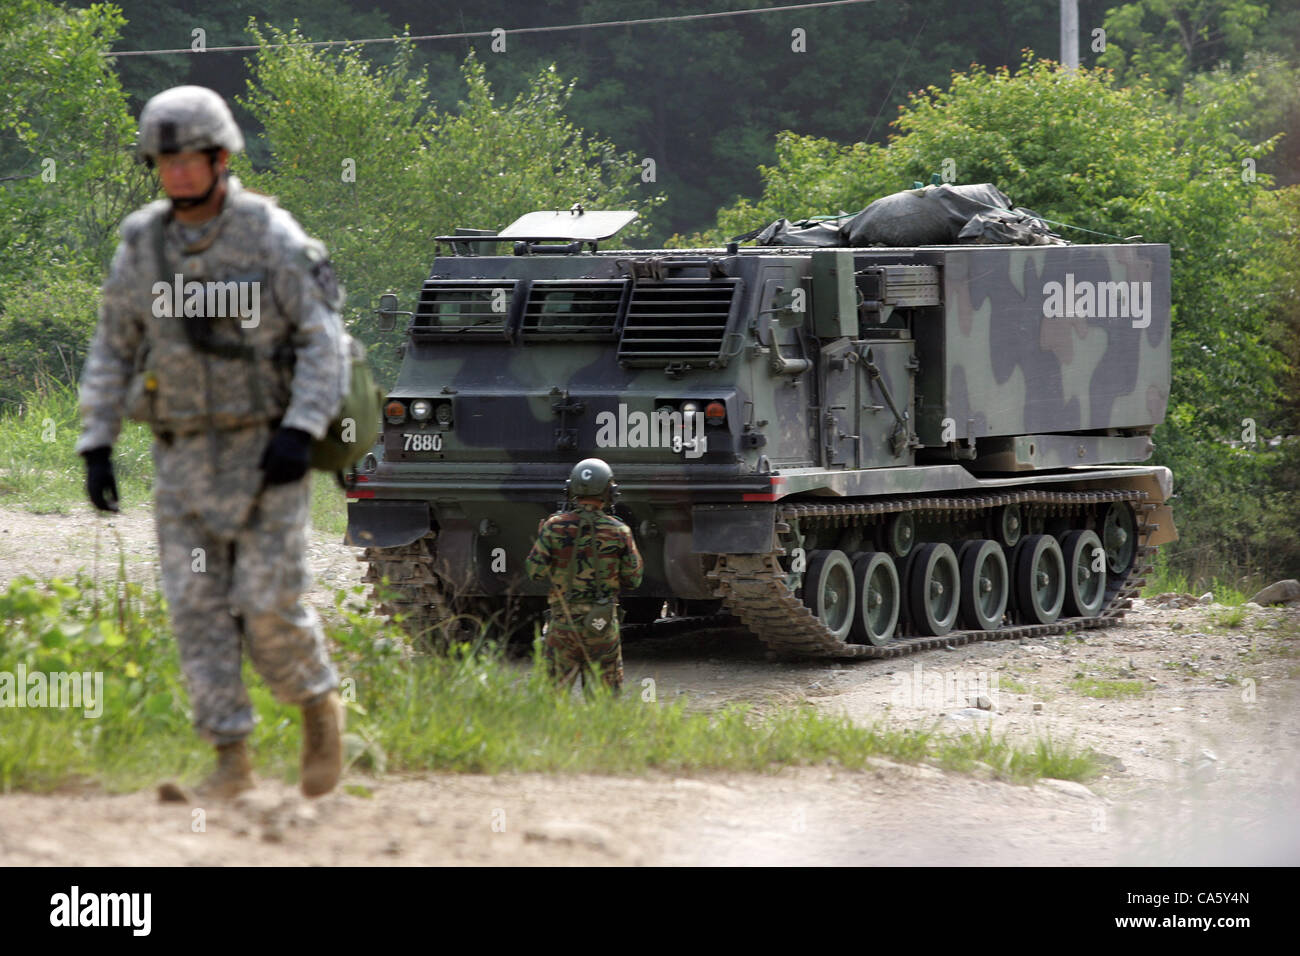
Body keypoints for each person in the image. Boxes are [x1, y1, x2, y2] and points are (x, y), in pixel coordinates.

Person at [76, 86, 349, 799]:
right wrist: (96, 442)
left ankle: (318, 707)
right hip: (182, 458)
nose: (177, 173)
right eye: (164, 161)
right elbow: (113, 345)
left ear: (220, 158)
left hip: (266, 457)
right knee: (196, 610)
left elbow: (324, 344)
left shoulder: (270, 235)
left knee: (268, 607)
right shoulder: (143, 242)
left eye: (189, 158)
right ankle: (231, 761)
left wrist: (301, 430)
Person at [524, 458, 644, 694]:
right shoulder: (619, 531)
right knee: (604, 704)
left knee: (553, 699)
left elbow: (534, 572)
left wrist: (544, 538)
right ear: (609, 491)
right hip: (601, 625)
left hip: (562, 624)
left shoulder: (553, 527)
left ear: (572, 490)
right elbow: (634, 579)